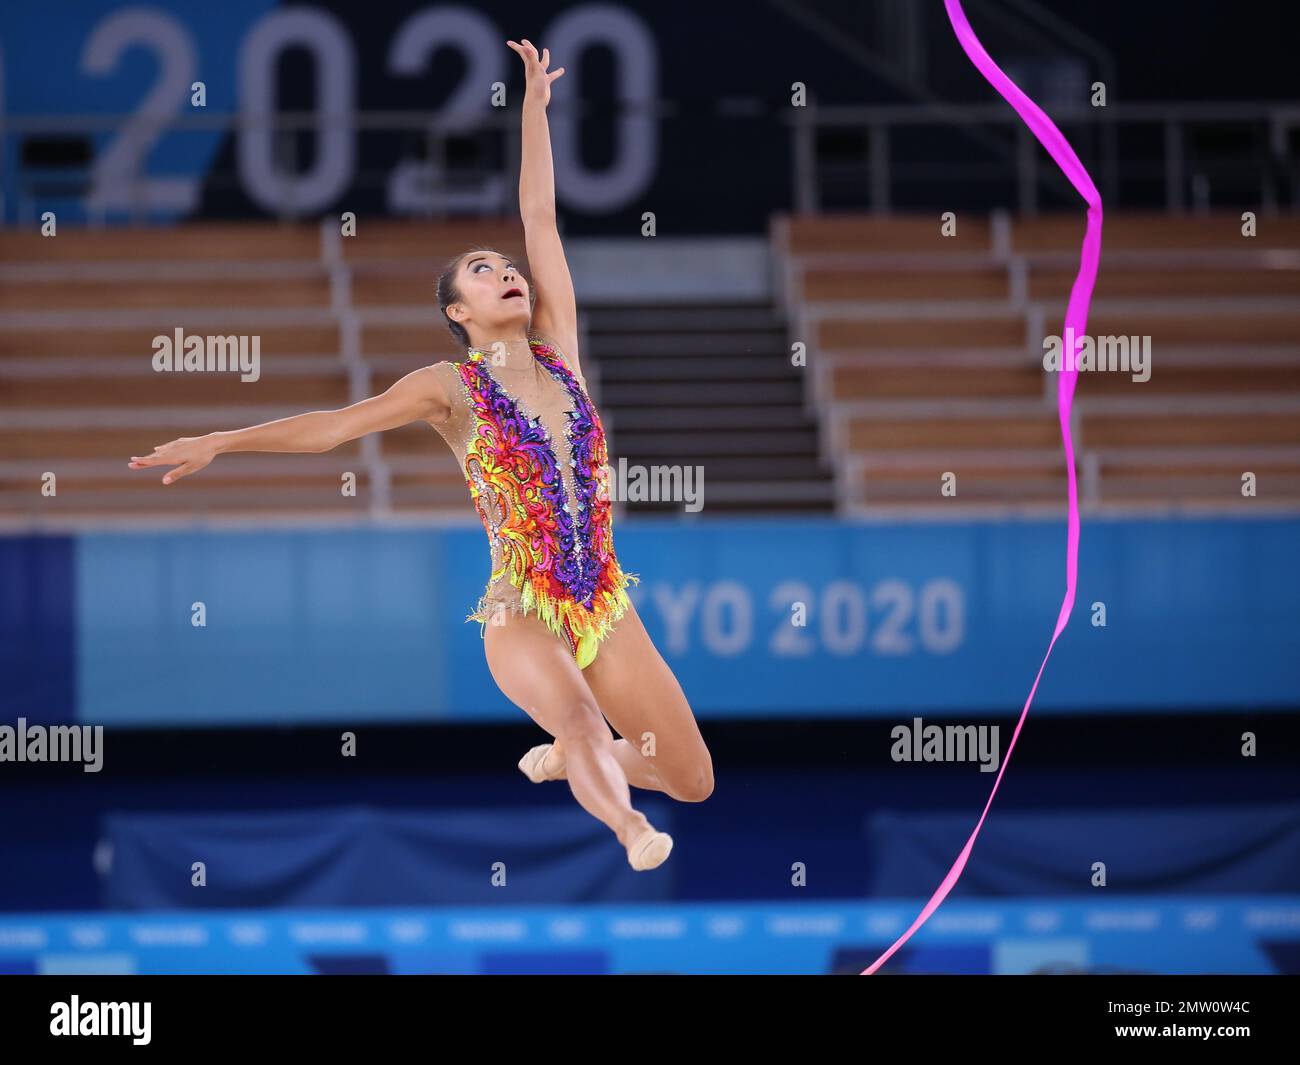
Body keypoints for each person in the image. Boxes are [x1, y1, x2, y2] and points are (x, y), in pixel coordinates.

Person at [128, 39, 713, 871]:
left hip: (603, 601)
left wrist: (537, 111)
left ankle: (579, 766)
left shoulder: (563, 353)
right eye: (484, 271)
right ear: (457, 311)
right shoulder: (449, 387)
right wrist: (223, 439)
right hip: (522, 612)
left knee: (691, 777)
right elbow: (335, 425)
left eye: (509, 268)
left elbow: (540, 218)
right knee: (582, 719)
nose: (508, 272)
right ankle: (625, 826)